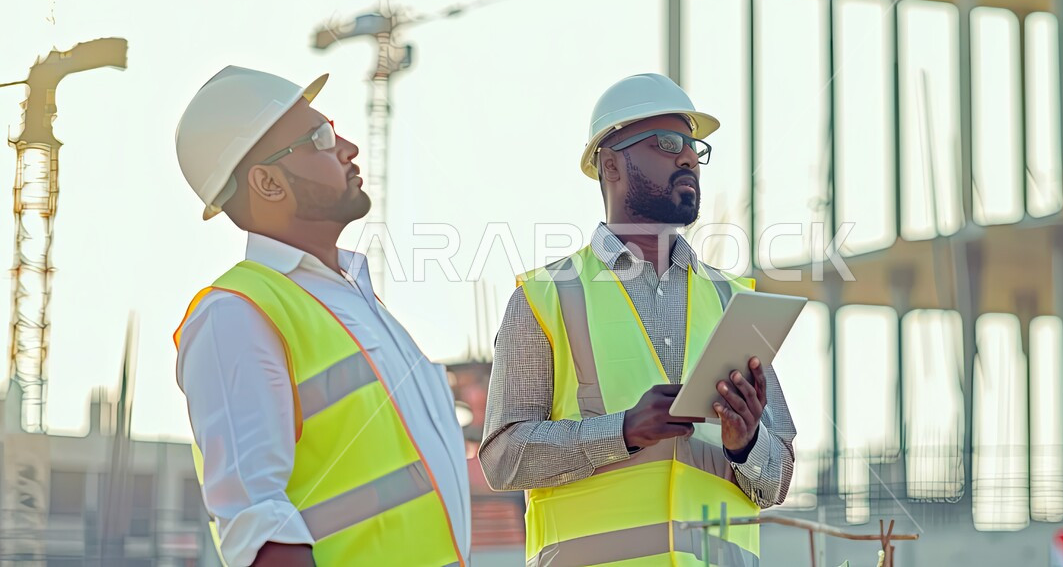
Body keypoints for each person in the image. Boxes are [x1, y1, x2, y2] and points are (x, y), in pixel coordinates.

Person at [480, 73, 796, 566]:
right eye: (669, 143)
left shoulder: (733, 301)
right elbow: (503, 459)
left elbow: (778, 478)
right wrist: (622, 432)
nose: (688, 157)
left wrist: (747, 443)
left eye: (694, 147)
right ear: (611, 165)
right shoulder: (545, 298)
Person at [173, 66, 470, 566]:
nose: (347, 147)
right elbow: (258, 525)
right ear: (267, 182)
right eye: (321, 137)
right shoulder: (235, 316)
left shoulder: (352, 302)